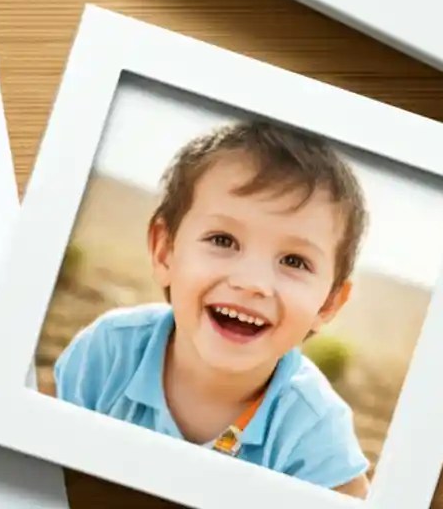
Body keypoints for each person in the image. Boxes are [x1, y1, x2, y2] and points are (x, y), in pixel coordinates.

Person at [54, 119, 371, 498]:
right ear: (165, 251)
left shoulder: (314, 428)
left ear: (330, 303)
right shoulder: (108, 353)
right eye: (223, 239)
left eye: (294, 261)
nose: (251, 282)